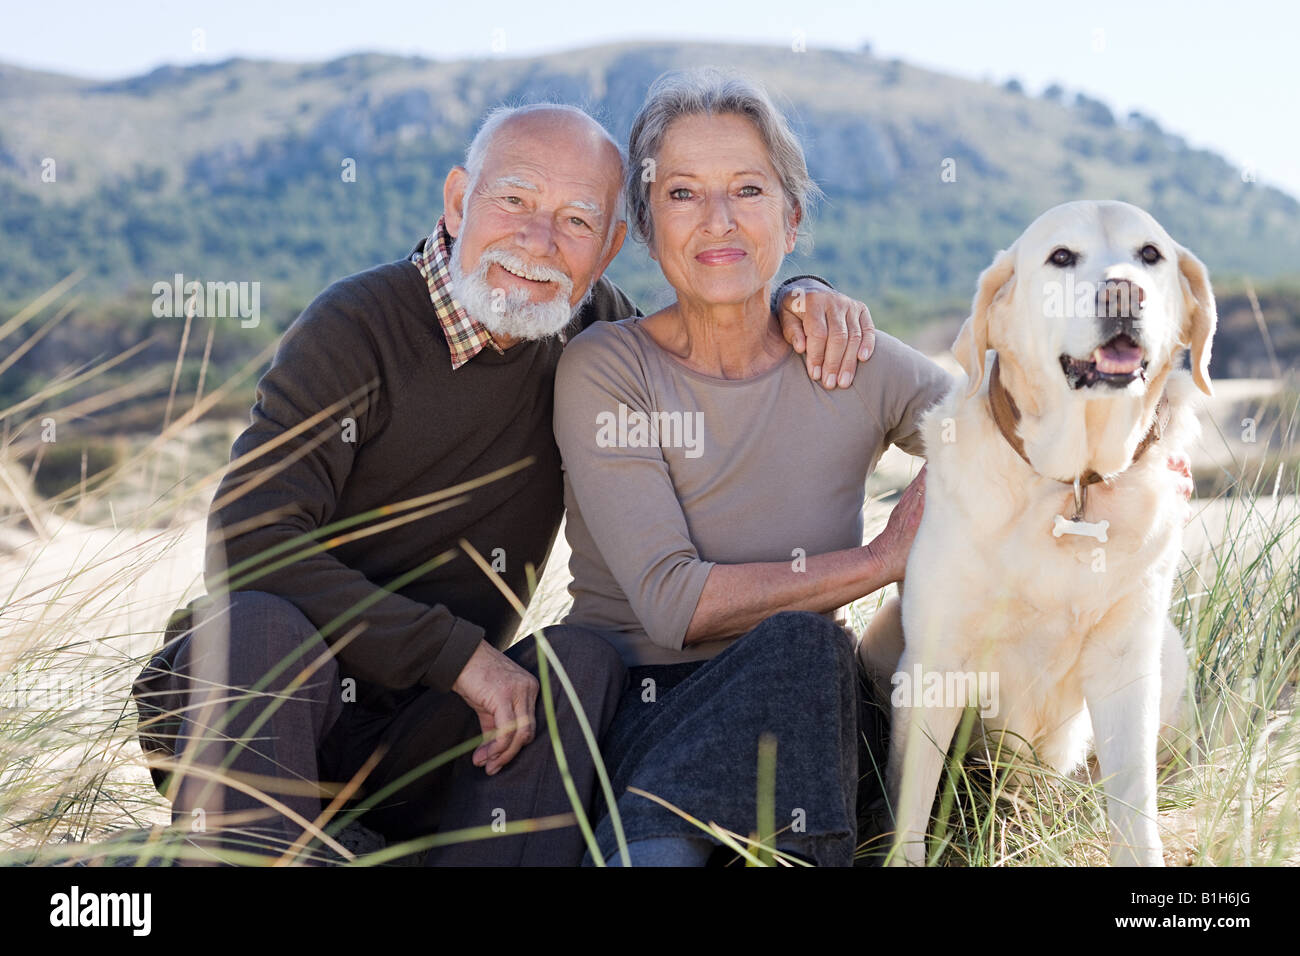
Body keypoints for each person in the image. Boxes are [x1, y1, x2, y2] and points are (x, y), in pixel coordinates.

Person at [131, 102, 881, 866]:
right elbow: (248, 544)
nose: (537, 240)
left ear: (610, 248)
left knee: (580, 661)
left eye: (577, 221)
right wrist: (459, 655)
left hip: (428, 730)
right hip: (256, 700)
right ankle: (258, 852)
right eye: (514, 201)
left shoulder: (591, 336)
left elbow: (706, 329)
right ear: (458, 201)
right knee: (263, 622)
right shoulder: (356, 326)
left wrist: (799, 296)